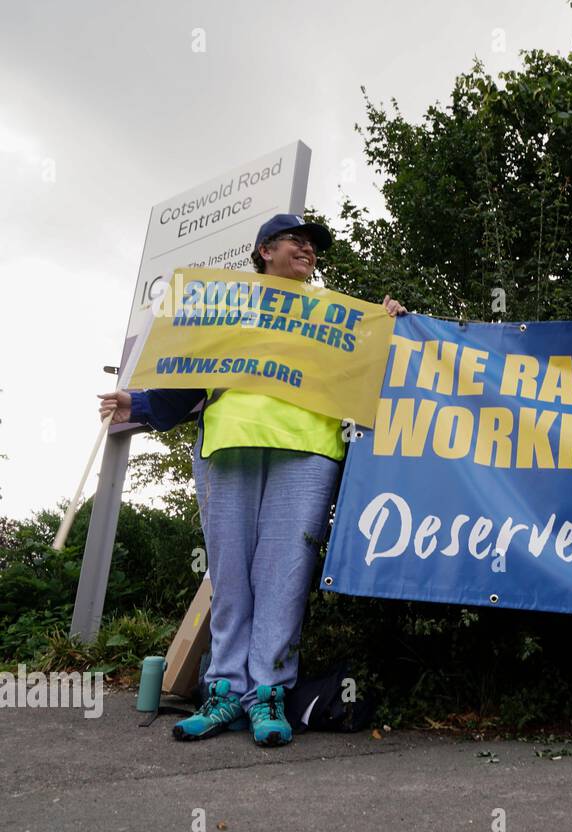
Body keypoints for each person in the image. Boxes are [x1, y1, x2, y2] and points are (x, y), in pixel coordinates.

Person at [98, 214, 407, 748]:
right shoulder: (228, 305)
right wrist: (140, 403)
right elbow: (188, 378)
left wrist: (391, 325)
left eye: (313, 245)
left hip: (308, 450)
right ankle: (224, 692)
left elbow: (367, 369)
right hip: (228, 444)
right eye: (297, 241)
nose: (308, 250)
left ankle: (268, 694)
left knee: (283, 578)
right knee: (231, 575)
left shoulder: (336, 316)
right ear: (264, 250)